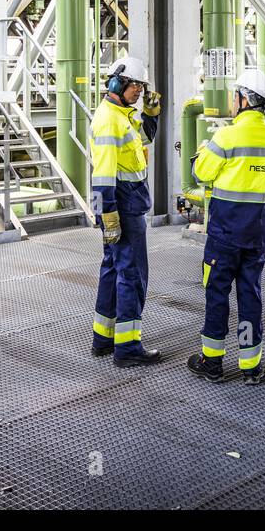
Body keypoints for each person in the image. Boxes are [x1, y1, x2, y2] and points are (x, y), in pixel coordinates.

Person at [187, 68, 265, 384]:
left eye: (234, 94)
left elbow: (201, 172)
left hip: (225, 234)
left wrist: (201, 154)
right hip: (257, 234)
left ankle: (211, 362)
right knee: (250, 295)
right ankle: (250, 366)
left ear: (243, 98)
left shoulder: (226, 136)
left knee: (217, 294)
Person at [89, 55, 163, 368]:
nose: (140, 92)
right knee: (131, 275)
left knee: (112, 269)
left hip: (124, 206)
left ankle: (103, 339)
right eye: (136, 86)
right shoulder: (109, 120)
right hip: (123, 208)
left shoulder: (123, 116)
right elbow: (102, 176)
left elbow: (143, 139)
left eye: (142, 87)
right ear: (119, 83)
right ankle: (128, 347)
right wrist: (108, 217)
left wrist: (151, 114)